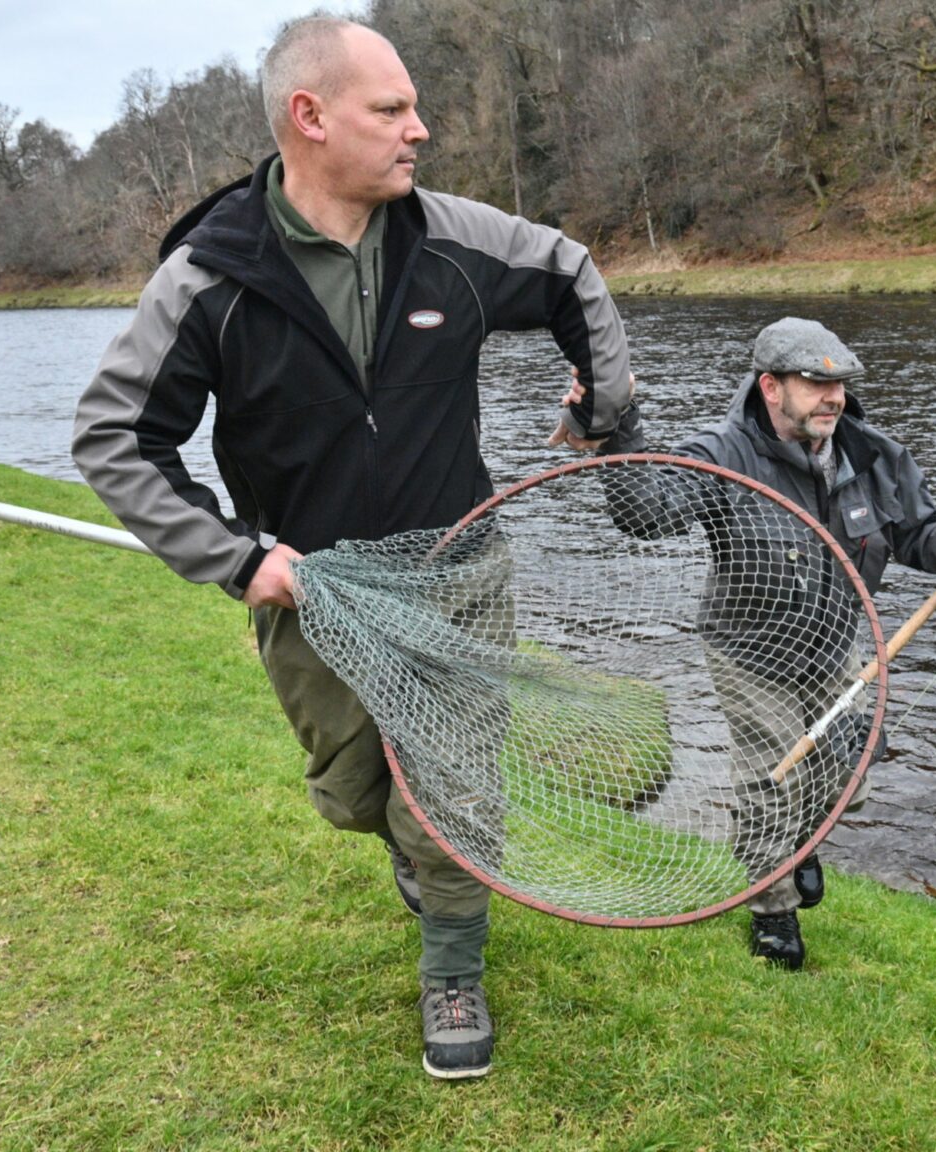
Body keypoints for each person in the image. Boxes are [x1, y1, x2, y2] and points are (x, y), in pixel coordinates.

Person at [72, 15, 634, 1080]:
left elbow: (572, 274)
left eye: (414, 108)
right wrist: (238, 558)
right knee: (355, 794)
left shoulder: (455, 240)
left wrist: (604, 408)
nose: (419, 130)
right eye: (392, 110)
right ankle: (417, 852)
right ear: (310, 117)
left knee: (455, 791)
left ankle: (453, 970)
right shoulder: (208, 279)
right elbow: (115, 439)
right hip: (312, 592)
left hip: (458, 570)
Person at [583, 317, 936, 971]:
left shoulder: (876, 456)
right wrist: (621, 422)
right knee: (769, 783)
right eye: (816, 383)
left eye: (840, 384)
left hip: (833, 645)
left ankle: (798, 841)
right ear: (771, 387)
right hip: (750, 649)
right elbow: (644, 514)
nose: (833, 397)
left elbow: (920, 542)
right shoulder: (720, 452)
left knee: (845, 781)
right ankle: (774, 913)